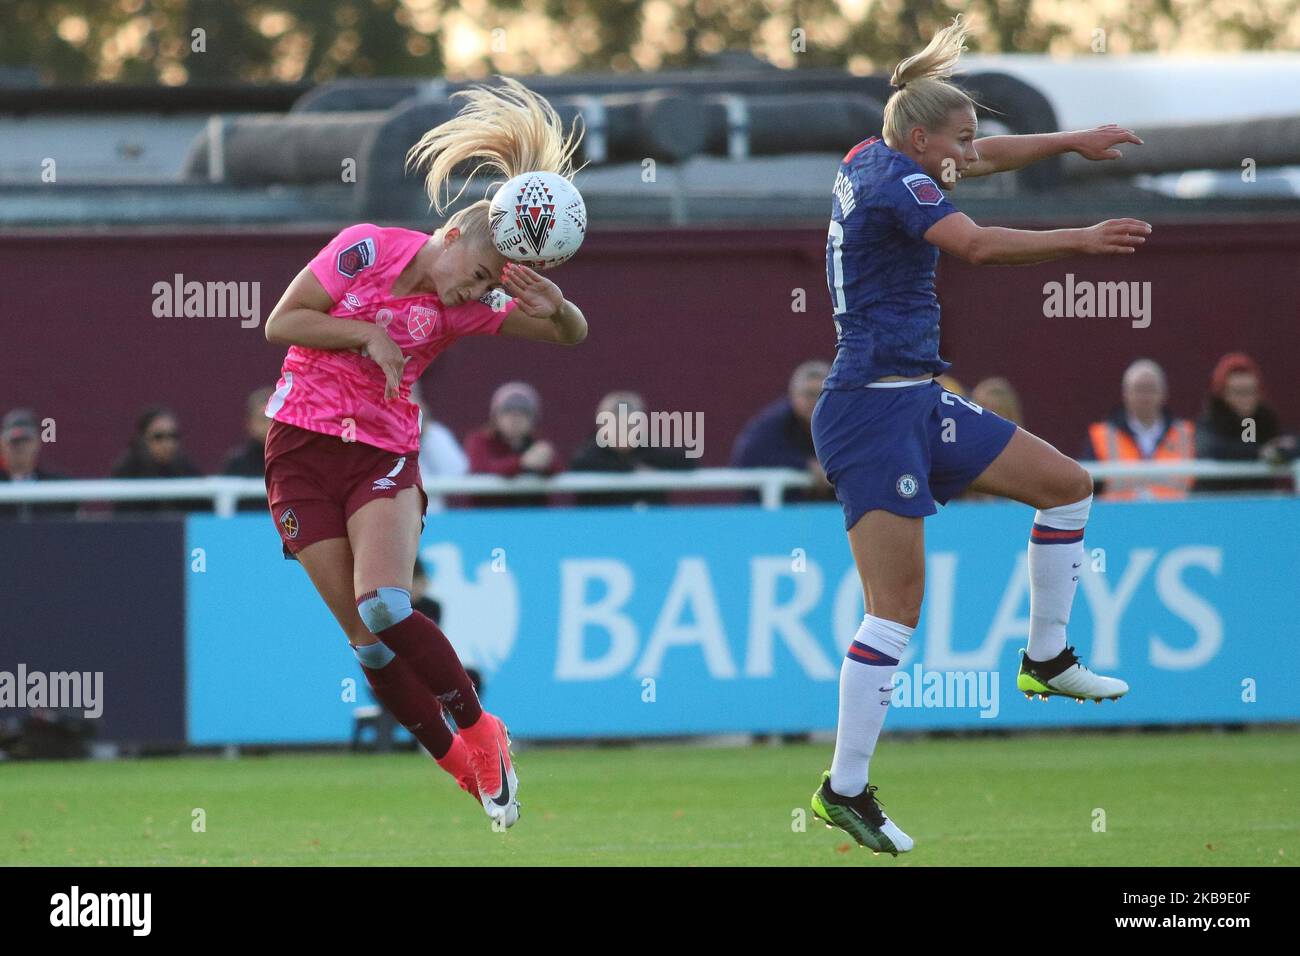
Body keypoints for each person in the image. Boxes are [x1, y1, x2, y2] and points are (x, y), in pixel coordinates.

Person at [808, 15, 1146, 856]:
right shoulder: (901, 183)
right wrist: (1082, 236)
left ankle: (1047, 657)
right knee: (896, 615)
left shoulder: (876, 155)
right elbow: (981, 246)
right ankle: (842, 789)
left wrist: (1074, 140)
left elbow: (985, 161)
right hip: (869, 411)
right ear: (921, 138)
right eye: (961, 138)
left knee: (1068, 484)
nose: (975, 152)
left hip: (915, 399)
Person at [261, 76, 588, 830]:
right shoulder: (363, 248)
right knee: (367, 643)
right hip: (298, 451)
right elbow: (283, 322)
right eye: (473, 275)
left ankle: (483, 730)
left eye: (485, 288)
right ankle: (456, 763)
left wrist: (560, 310)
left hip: (382, 455)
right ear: (447, 238)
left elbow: (570, 338)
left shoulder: (467, 309)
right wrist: (366, 334)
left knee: (385, 602)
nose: (469, 295)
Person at [1082, 359, 1195, 501]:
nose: (1145, 396)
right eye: (1139, 389)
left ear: (1164, 393)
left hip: (1177, 516)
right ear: (1125, 393)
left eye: (1150, 389)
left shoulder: (1186, 434)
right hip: (1120, 517)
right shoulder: (1101, 435)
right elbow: (1084, 486)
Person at [730, 361, 835, 503]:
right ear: (793, 396)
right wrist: (806, 465)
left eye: (822, 394)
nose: (815, 401)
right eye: (809, 394)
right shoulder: (776, 423)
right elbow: (747, 455)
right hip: (780, 511)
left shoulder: (845, 425)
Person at [1194, 351, 1297, 493]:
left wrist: (1282, 451)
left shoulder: (1263, 420)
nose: (1246, 399)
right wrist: (1261, 452)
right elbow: (1215, 448)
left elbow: (1288, 442)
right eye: (1239, 392)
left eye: (1251, 391)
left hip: (1259, 503)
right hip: (1217, 502)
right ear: (1222, 394)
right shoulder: (1210, 422)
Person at [569, 390, 694, 506]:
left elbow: (687, 461)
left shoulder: (649, 449)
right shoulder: (591, 452)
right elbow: (579, 464)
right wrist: (632, 469)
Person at [463, 381, 559, 508]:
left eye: (523, 412)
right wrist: (521, 463)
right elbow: (480, 470)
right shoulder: (479, 441)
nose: (515, 418)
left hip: (532, 518)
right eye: (507, 411)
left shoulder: (537, 444)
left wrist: (547, 462)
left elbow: (558, 469)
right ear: (495, 417)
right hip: (487, 518)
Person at [109, 406, 208, 513]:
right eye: (158, 437)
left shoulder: (187, 470)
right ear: (142, 438)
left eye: (173, 436)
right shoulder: (127, 470)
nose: (167, 444)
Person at [0, 408, 76, 520]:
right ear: (2, 444)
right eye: (14, 442)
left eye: (25, 441)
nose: (20, 447)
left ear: (37, 443)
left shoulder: (57, 487)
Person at [408, 379, 469, 512]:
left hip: (432, 518)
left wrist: (423, 433)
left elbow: (458, 474)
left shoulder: (435, 434)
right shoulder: (374, 435)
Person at [220, 386, 276, 512]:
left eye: (275, 419)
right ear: (250, 424)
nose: (270, 425)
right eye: (263, 420)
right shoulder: (237, 464)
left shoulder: (294, 460)